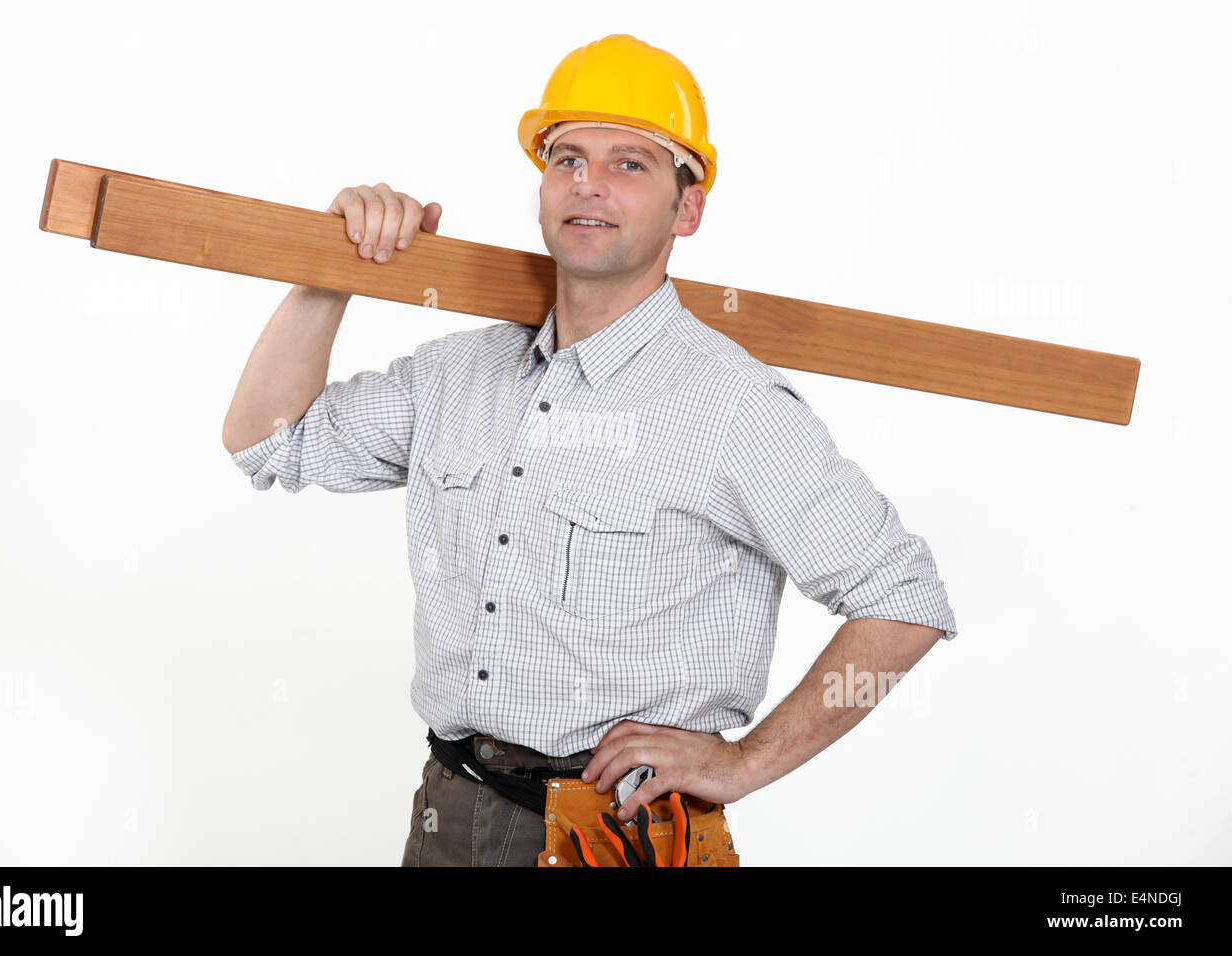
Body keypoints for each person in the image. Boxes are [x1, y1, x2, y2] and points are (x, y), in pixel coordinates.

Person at [221, 34, 958, 867]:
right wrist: (330, 270)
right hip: (448, 813)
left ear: (689, 209)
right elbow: (271, 442)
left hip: (615, 836)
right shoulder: (458, 376)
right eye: (566, 157)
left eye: (631, 163)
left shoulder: (731, 406)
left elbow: (905, 596)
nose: (588, 184)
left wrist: (748, 763)